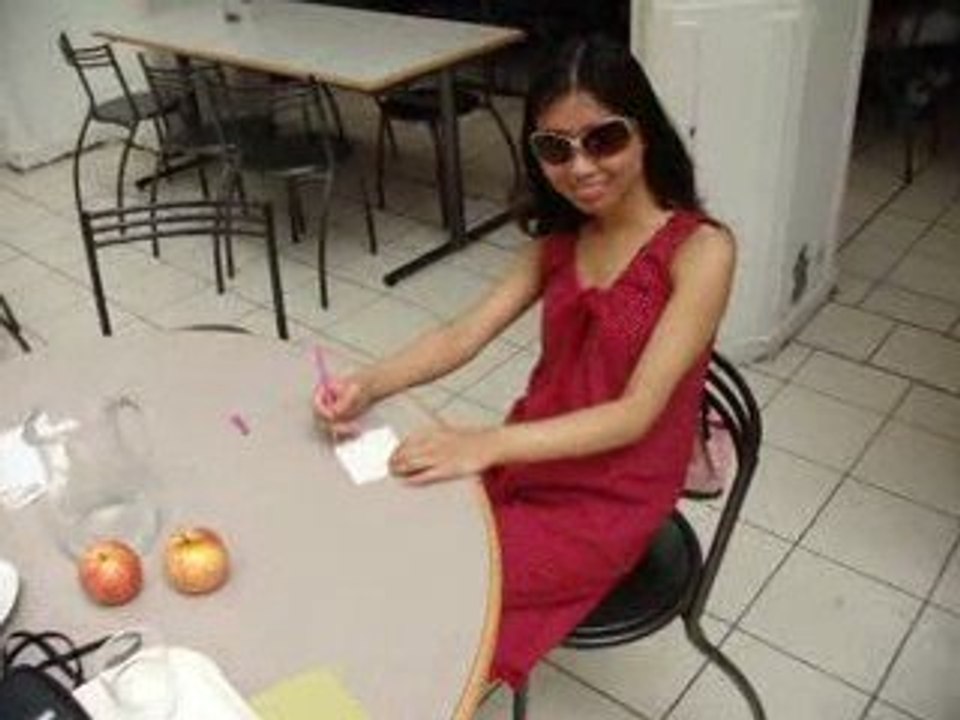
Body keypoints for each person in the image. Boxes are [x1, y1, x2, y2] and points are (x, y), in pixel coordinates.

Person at [314, 35, 735, 690]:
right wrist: (367, 384)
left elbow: (636, 413)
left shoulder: (700, 251)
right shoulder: (563, 240)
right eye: (555, 149)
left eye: (604, 139)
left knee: (443, 575)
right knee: (394, 527)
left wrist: (485, 443)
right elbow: (462, 335)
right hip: (533, 453)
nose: (581, 168)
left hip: (613, 493)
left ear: (645, 131)